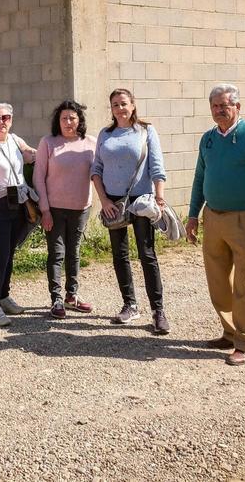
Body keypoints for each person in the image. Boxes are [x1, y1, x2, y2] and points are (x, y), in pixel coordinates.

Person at [185, 83, 245, 366]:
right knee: (218, 282)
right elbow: (199, 179)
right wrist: (193, 216)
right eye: (214, 106)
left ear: (238, 107)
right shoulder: (208, 139)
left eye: (224, 105)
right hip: (213, 218)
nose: (219, 110)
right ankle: (229, 332)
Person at [91, 88, 171, 335]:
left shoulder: (146, 131)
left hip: (142, 200)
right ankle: (130, 304)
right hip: (113, 201)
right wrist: (104, 200)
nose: (120, 109)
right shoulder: (105, 134)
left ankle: (158, 311)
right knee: (120, 254)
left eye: (124, 104)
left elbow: (157, 166)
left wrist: (159, 197)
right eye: (115, 105)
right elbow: (96, 169)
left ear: (133, 106)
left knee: (147, 253)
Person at [33, 100, 96, 319]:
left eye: (72, 118)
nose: (68, 122)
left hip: (81, 208)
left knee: (74, 253)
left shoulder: (90, 143)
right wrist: (45, 210)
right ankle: (56, 299)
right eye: (64, 118)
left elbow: (98, 175)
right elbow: (38, 177)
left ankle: (72, 296)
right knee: (57, 254)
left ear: (80, 120)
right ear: (57, 121)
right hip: (55, 210)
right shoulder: (48, 143)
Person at [0, 102, 36, 327]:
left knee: (10, 253)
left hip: (19, 204)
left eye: (6, 118)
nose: (1, 122)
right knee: (0, 256)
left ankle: (4, 295)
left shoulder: (15, 140)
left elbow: (31, 155)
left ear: (11, 119)